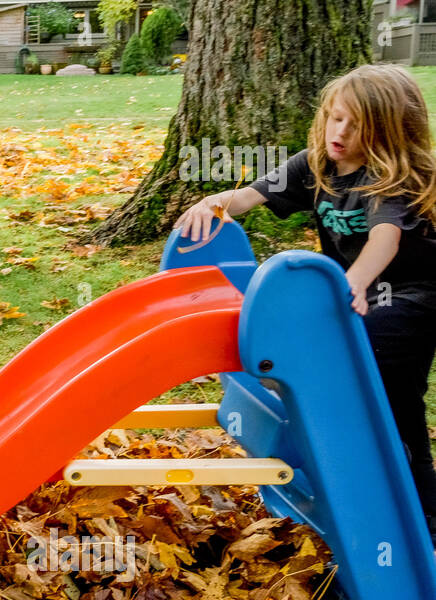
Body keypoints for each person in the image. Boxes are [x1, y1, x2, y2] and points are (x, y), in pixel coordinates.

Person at [176, 63, 436, 531]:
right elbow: (248, 198)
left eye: (357, 126)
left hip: (411, 297)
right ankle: (359, 474)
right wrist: (211, 204)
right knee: (356, 379)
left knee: (392, 394)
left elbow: (384, 240)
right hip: (356, 295)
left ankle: (421, 506)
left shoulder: (388, 177)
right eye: (336, 117)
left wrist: (352, 283)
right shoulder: (315, 164)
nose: (340, 132)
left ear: (387, 134)